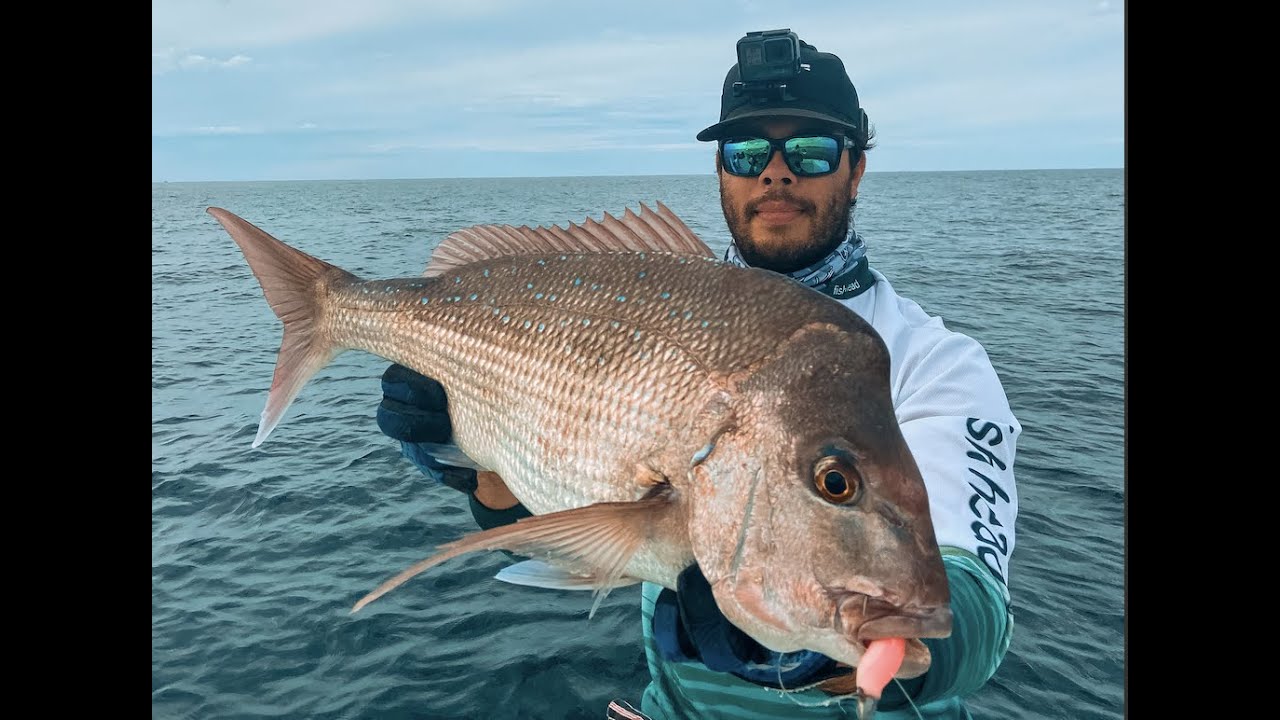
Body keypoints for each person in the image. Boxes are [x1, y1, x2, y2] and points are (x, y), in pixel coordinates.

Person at [375, 30, 1019, 720]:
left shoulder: (934, 362)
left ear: (855, 170)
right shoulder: (664, 301)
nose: (776, 173)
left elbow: (971, 615)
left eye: (810, 149)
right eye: (746, 152)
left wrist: (804, 653)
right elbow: (580, 508)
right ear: (721, 173)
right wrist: (486, 477)